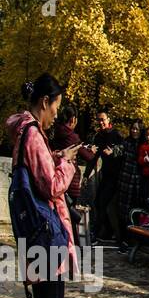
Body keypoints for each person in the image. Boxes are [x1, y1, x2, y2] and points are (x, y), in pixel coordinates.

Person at [6, 74, 101, 298]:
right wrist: (70, 163)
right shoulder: (33, 133)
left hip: (38, 238)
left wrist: (59, 154)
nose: (57, 115)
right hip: (47, 240)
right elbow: (51, 186)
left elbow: (39, 174)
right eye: (56, 107)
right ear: (45, 102)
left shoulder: (26, 132)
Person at [49, 104, 94, 247]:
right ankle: (72, 245)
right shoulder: (72, 136)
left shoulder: (56, 132)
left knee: (60, 213)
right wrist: (92, 150)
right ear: (73, 119)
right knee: (70, 215)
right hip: (70, 180)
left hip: (57, 175)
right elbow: (88, 157)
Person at [88, 111, 125, 246]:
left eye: (103, 119)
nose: (101, 122)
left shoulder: (116, 134)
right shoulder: (99, 136)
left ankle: (97, 233)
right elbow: (94, 157)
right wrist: (86, 174)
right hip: (106, 174)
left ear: (108, 119)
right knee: (98, 202)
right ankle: (106, 232)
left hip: (117, 176)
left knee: (103, 202)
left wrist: (113, 151)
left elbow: (123, 149)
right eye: (98, 120)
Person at [113, 120, 145, 251]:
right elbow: (118, 152)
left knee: (135, 213)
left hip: (137, 185)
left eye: (137, 129)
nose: (134, 131)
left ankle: (132, 240)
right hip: (125, 182)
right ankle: (123, 240)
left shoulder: (144, 145)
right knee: (122, 213)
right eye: (133, 128)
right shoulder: (126, 142)